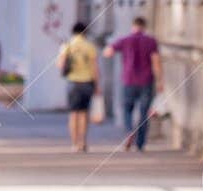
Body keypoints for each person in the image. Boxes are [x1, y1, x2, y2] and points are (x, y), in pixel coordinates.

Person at [105, 15, 163, 151]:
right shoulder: (151, 41)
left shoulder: (125, 40)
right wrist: (160, 81)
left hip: (128, 80)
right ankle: (141, 144)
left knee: (127, 109)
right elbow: (156, 61)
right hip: (146, 81)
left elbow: (108, 52)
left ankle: (129, 131)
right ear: (144, 27)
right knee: (144, 113)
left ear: (133, 26)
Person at [57, 21, 99, 153]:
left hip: (72, 82)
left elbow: (60, 64)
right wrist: (97, 85)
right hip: (87, 82)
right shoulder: (89, 46)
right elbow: (95, 68)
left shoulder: (67, 45)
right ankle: (83, 142)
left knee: (73, 114)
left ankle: (74, 143)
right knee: (84, 114)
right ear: (85, 32)